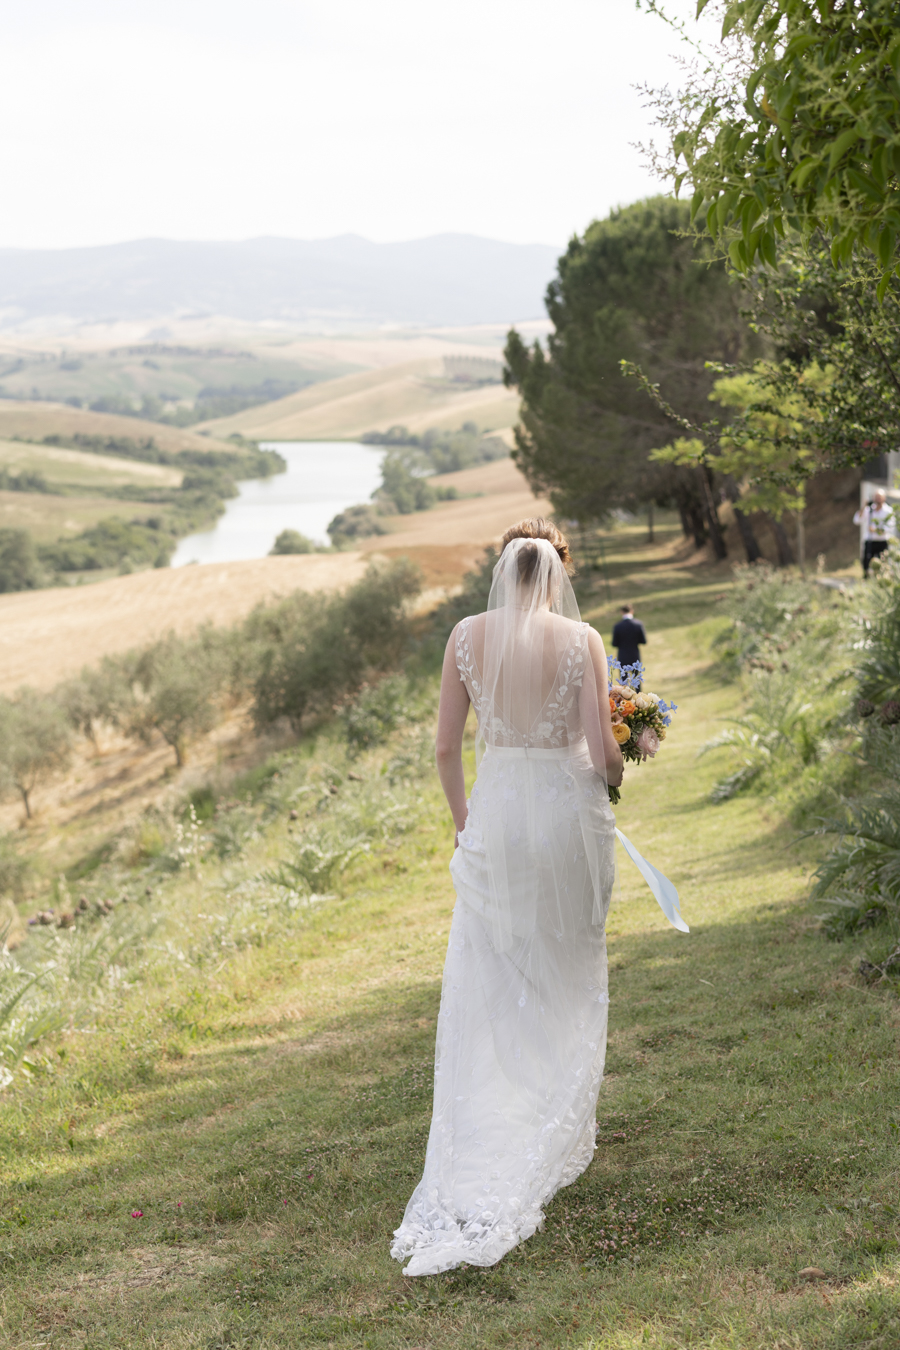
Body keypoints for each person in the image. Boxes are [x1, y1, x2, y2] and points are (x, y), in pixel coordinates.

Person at [391, 518, 624, 1277]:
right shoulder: (582, 640)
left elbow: (444, 747)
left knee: (496, 969)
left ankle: (500, 1118)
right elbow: (602, 754)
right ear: (558, 573)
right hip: (563, 815)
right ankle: (550, 1116)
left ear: (504, 570)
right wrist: (629, 754)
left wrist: (464, 823)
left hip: (497, 817)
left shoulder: (465, 636)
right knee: (567, 961)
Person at [854, 490, 897, 577]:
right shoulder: (869, 510)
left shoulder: (888, 511)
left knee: (883, 563)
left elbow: (890, 527)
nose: (878, 500)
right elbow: (857, 520)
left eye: (879, 497)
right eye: (876, 497)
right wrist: (863, 506)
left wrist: (876, 530)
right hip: (870, 540)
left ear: (883, 498)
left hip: (882, 541)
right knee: (866, 562)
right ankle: (866, 577)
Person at [612, 604, 646, 684]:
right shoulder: (638, 624)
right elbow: (643, 641)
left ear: (621, 612)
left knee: (624, 682)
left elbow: (614, 643)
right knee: (637, 680)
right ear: (632, 611)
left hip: (623, 656)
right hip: (635, 655)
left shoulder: (617, 626)